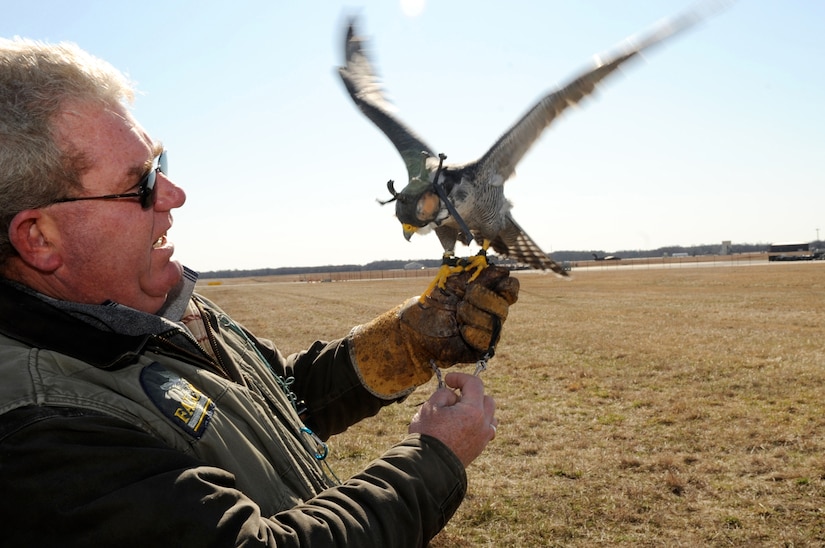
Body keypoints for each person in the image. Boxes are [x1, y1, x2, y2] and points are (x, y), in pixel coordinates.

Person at [0, 38, 519, 547]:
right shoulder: (40, 428)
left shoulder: (153, 306)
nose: (175, 194)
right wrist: (434, 456)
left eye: (162, 164)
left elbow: (276, 398)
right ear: (38, 238)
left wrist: (407, 342)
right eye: (139, 183)